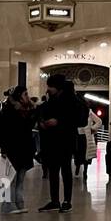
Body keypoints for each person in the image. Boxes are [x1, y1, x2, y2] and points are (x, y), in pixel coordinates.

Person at [35, 74, 78, 213]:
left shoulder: (71, 100)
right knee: (53, 171)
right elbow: (41, 112)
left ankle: (67, 201)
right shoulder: (51, 100)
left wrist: (58, 121)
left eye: (51, 86)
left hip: (65, 141)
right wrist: (42, 122)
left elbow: (78, 118)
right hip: (51, 141)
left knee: (65, 170)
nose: (48, 89)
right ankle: (55, 200)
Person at [0, 86, 35, 215]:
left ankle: (19, 203)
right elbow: (4, 131)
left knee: (20, 178)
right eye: (25, 94)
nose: (27, 97)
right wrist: (4, 149)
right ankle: (7, 205)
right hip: (13, 148)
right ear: (19, 96)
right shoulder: (9, 111)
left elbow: (28, 126)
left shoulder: (26, 110)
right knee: (10, 179)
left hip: (24, 147)